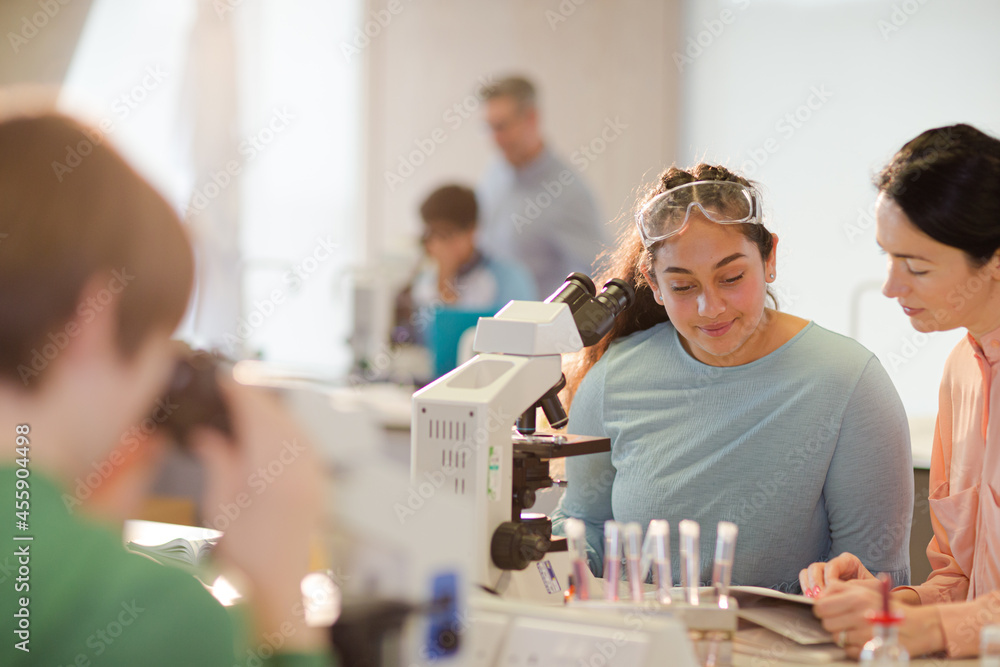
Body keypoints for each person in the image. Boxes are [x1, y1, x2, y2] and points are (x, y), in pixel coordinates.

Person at [0, 113, 333, 665]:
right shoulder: (148, 612)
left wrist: (74, 520)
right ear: (93, 319)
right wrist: (281, 593)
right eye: (161, 356)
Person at [550, 163, 913, 593]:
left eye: (731, 277)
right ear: (654, 284)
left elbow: (874, 578)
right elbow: (585, 526)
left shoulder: (850, 382)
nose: (711, 307)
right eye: (683, 287)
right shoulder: (614, 377)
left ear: (769, 257)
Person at [800, 124, 1000, 659]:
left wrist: (933, 631)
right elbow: (963, 580)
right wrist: (892, 604)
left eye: (915, 266)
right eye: (888, 257)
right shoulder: (963, 370)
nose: (891, 286)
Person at [476, 75, 611, 296]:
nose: (495, 139)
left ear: (531, 118)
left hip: (539, 324)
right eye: (489, 128)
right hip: (491, 318)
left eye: (502, 127)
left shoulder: (568, 192)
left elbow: (597, 272)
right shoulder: (495, 173)